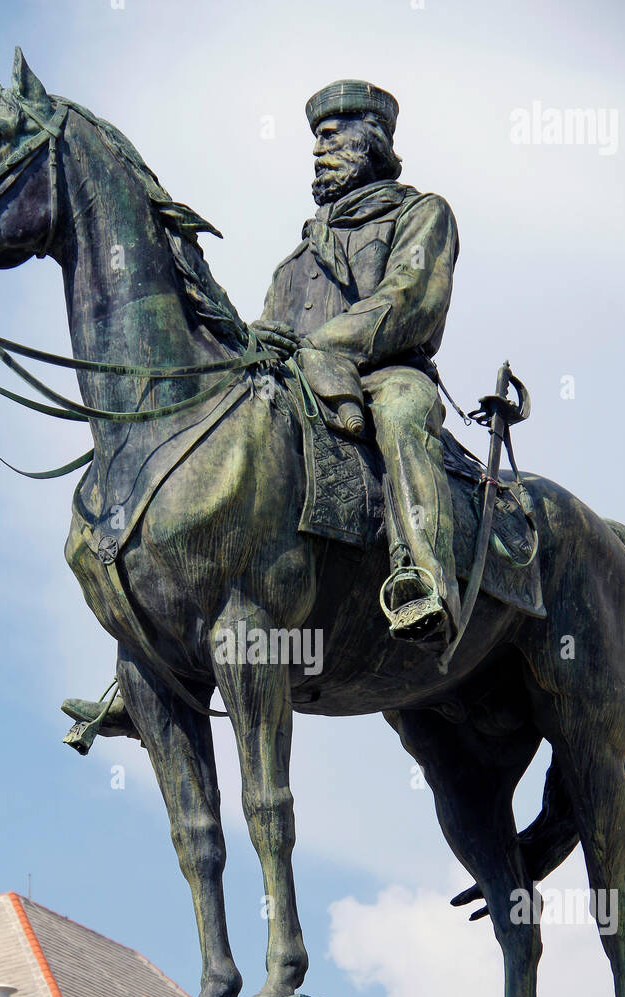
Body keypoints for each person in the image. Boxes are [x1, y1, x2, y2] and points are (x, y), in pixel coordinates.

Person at [253, 79, 461, 644]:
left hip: (387, 374)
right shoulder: (294, 259)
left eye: (328, 137)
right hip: (304, 387)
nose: (317, 152)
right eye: (314, 141)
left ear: (369, 141)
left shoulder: (422, 214)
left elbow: (410, 302)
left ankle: (421, 575)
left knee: (401, 417)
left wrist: (322, 344)